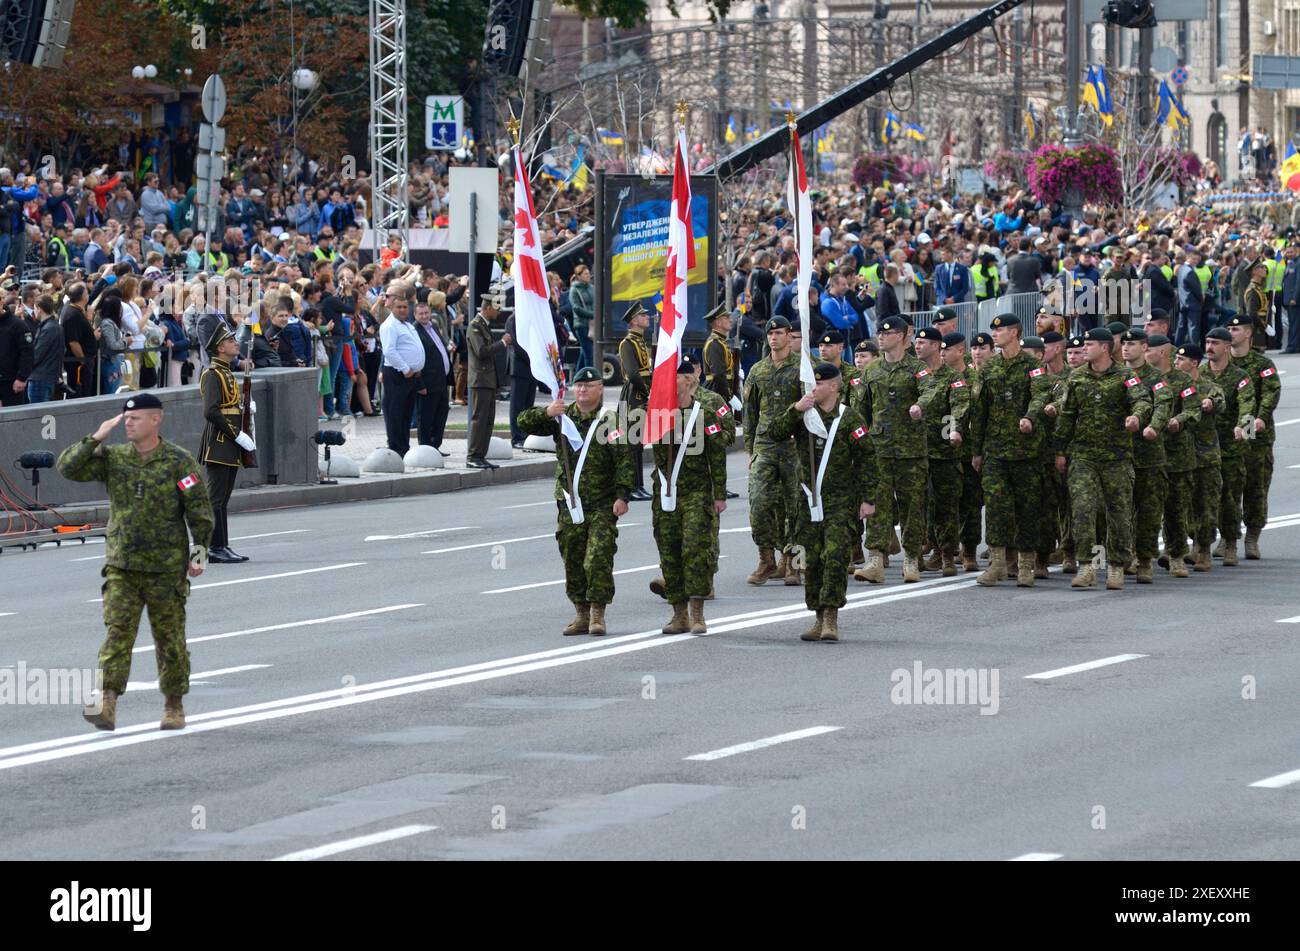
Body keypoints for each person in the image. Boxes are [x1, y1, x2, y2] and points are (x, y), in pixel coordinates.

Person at [55, 393, 213, 732]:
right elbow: (68, 467)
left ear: (155, 420)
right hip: (122, 565)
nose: (128, 423)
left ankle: (174, 705)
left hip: (165, 568)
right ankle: (107, 702)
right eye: (126, 418)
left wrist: (199, 553)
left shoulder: (178, 462)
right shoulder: (114, 458)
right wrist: (96, 437)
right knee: (117, 634)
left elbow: (199, 511)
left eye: (136, 418)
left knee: (169, 639)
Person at [517, 366, 635, 637]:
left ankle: (597, 614)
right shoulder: (563, 417)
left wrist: (623, 495)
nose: (582, 390)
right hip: (570, 502)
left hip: (603, 503)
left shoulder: (611, 420)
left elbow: (625, 460)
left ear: (600, 388)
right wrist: (546, 412)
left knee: (598, 558)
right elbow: (523, 421)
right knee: (572, 558)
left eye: (589, 385)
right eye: (578, 386)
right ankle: (580, 613)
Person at [768, 362, 876, 642]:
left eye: (819, 384)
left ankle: (831, 618)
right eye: (812, 384)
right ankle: (817, 616)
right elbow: (775, 432)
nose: (814, 389)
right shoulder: (806, 417)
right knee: (811, 559)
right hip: (808, 500)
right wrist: (796, 409)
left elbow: (867, 459)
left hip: (840, 500)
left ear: (834, 386)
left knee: (835, 556)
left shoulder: (849, 419)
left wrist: (868, 499)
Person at [1053, 328, 1153, 590]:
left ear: (1106, 348)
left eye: (1090, 344)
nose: (1084, 349)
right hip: (1083, 456)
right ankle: (1086, 566)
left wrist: (1137, 417)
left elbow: (1142, 400)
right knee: (1083, 510)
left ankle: (1117, 566)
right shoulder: (1076, 378)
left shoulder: (1125, 376)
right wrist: (1060, 451)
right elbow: (1067, 416)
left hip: (1116, 457)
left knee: (1118, 511)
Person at [648, 356, 734, 636]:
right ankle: (679, 614)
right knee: (669, 553)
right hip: (666, 493)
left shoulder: (705, 412)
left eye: (675, 379)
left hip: (697, 490)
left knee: (694, 550)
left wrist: (719, 493)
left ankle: (698, 614)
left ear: (689, 382)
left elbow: (717, 453)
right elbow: (634, 440)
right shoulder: (656, 413)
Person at [969, 314, 1052, 587]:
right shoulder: (988, 368)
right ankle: (998, 564)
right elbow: (979, 411)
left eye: (1000, 329)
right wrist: (977, 450)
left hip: (1027, 451)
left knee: (1027, 508)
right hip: (995, 451)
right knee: (995, 507)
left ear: (1015, 332)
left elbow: (1041, 394)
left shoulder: (1033, 365)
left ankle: (1026, 565)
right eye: (993, 329)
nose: (995, 333)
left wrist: (1029, 417)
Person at [854, 315, 935, 584]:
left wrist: (919, 406)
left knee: (912, 505)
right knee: (877, 505)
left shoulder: (917, 368)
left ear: (902, 336)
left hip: (910, 450)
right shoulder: (871, 370)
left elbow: (929, 390)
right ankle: (875, 558)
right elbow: (860, 411)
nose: (882, 336)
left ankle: (912, 558)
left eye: (888, 333)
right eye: (879, 333)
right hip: (879, 449)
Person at [744, 316, 803, 586]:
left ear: (789, 336)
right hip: (765, 444)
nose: (773, 338)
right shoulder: (758, 370)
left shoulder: (803, 367)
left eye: (779, 333)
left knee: (795, 506)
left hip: (794, 445)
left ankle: (792, 561)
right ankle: (766, 557)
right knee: (759, 502)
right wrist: (749, 450)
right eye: (770, 334)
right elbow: (750, 412)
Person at [1115, 328, 1172, 584]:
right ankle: (1124, 556)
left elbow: (1163, 404)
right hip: (1119, 455)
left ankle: (1145, 560)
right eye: (1124, 344)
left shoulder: (1156, 378)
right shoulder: (1115, 375)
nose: (1126, 348)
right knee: (1119, 511)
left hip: (1148, 454)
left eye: (1133, 344)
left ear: (1144, 347)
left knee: (1149, 512)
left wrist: (1154, 426)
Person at [198, 324, 256, 564]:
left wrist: (245, 409)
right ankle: (212, 548)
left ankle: (222, 545)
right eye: (230, 340)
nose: (235, 342)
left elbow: (229, 406)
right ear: (220, 348)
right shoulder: (212, 374)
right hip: (220, 443)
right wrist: (236, 434)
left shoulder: (227, 373)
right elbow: (211, 412)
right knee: (215, 499)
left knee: (223, 498)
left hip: (229, 444)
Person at [914, 326, 969, 576]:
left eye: (923, 342)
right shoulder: (914, 374)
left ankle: (947, 555)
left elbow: (959, 405)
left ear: (937, 346)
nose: (917, 346)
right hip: (915, 451)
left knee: (945, 505)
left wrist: (955, 430)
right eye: (915, 342)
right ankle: (924, 551)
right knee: (919, 505)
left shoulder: (952, 377)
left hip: (943, 451)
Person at [1145, 333, 1201, 578]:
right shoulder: (1140, 380)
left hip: (1177, 455)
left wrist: (1178, 419)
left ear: (1162, 353)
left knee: (1177, 509)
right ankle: (1142, 556)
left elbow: (1194, 409)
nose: (1145, 353)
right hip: (1148, 454)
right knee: (1146, 509)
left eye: (1149, 349)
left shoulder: (1181, 381)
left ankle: (1177, 555)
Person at [1227, 316, 1280, 559]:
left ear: (1248, 333)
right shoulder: (1221, 363)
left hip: (1256, 435)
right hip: (1229, 436)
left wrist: (1261, 417)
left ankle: (1252, 538)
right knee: (1227, 490)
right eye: (1228, 329)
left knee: (1255, 487)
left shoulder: (1262, 364)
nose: (1231, 333)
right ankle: (1228, 538)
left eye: (1235, 329)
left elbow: (1270, 392)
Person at [1203, 327, 1253, 565]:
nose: (1209, 347)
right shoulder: (1198, 374)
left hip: (1230, 447)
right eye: (1207, 342)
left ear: (1226, 347)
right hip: (1202, 448)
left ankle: (1231, 542)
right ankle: (1200, 544)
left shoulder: (1239, 376)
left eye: (1214, 343)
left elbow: (1247, 405)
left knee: (1230, 498)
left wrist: (1243, 426)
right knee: (1201, 498)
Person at [1175, 344, 1225, 572]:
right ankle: (1185, 546)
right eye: (1175, 359)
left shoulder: (1209, 387)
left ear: (1193, 363)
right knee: (1181, 506)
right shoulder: (1174, 385)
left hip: (1205, 457)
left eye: (1180, 360)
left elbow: (1220, 401)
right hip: (1181, 456)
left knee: (1205, 506)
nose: (1176, 363)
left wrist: (1210, 403)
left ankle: (1204, 550)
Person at [377, 289, 424, 458]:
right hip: (397, 373)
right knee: (395, 411)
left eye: (405, 307)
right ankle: (396, 446)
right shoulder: (389, 326)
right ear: (392, 308)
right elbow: (389, 351)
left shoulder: (408, 325)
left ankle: (404, 445)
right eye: (399, 307)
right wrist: (405, 368)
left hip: (410, 375)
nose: (403, 310)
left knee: (406, 412)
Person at [466, 289, 509, 469]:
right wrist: (503, 343)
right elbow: (481, 352)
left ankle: (481, 454)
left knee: (488, 419)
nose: (498, 312)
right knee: (480, 418)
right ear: (488, 308)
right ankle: (473, 455)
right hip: (480, 380)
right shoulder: (475, 326)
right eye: (496, 308)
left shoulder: (484, 325)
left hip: (488, 380)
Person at [617, 301, 653, 499]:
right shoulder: (628, 343)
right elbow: (632, 373)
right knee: (631, 443)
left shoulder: (641, 342)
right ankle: (631, 486)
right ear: (634, 321)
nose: (647, 317)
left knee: (638, 444)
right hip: (633, 396)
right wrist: (648, 392)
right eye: (643, 315)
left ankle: (638, 485)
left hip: (642, 394)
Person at [412, 300, 452, 453]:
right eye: (420, 314)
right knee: (426, 417)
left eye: (426, 313)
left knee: (441, 414)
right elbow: (416, 358)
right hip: (427, 382)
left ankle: (435, 446)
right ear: (415, 315)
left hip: (441, 380)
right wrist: (420, 384)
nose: (424, 316)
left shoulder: (433, 325)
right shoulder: (415, 330)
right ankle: (425, 448)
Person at [26, 295, 63, 403]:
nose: (33, 312)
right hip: (47, 377)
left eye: (34, 308)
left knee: (38, 415)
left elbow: (37, 354)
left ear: (39, 309)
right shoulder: (54, 326)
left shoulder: (48, 328)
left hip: (40, 379)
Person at [0, 290, 33, 406]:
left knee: (14, 419)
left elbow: (27, 353)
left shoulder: (17, 325)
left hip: (12, 382)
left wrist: (21, 378)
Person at [700, 303, 735, 404]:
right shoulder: (714, 343)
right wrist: (729, 397)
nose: (730, 320)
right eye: (727, 317)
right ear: (718, 322)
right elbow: (718, 374)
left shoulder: (721, 342)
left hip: (720, 392)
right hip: (716, 393)